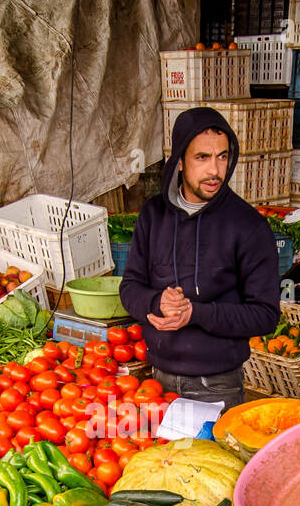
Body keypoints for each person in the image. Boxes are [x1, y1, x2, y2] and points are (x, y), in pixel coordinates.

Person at [119, 107, 280, 410]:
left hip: (217, 385)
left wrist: (195, 314)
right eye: (202, 157)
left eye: (222, 156)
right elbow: (130, 288)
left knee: (212, 459)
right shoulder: (153, 215)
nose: (215, 171)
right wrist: (157, 303)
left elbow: (265, 315)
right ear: (180, 161)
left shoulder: (248, 226)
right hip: (155, 382)